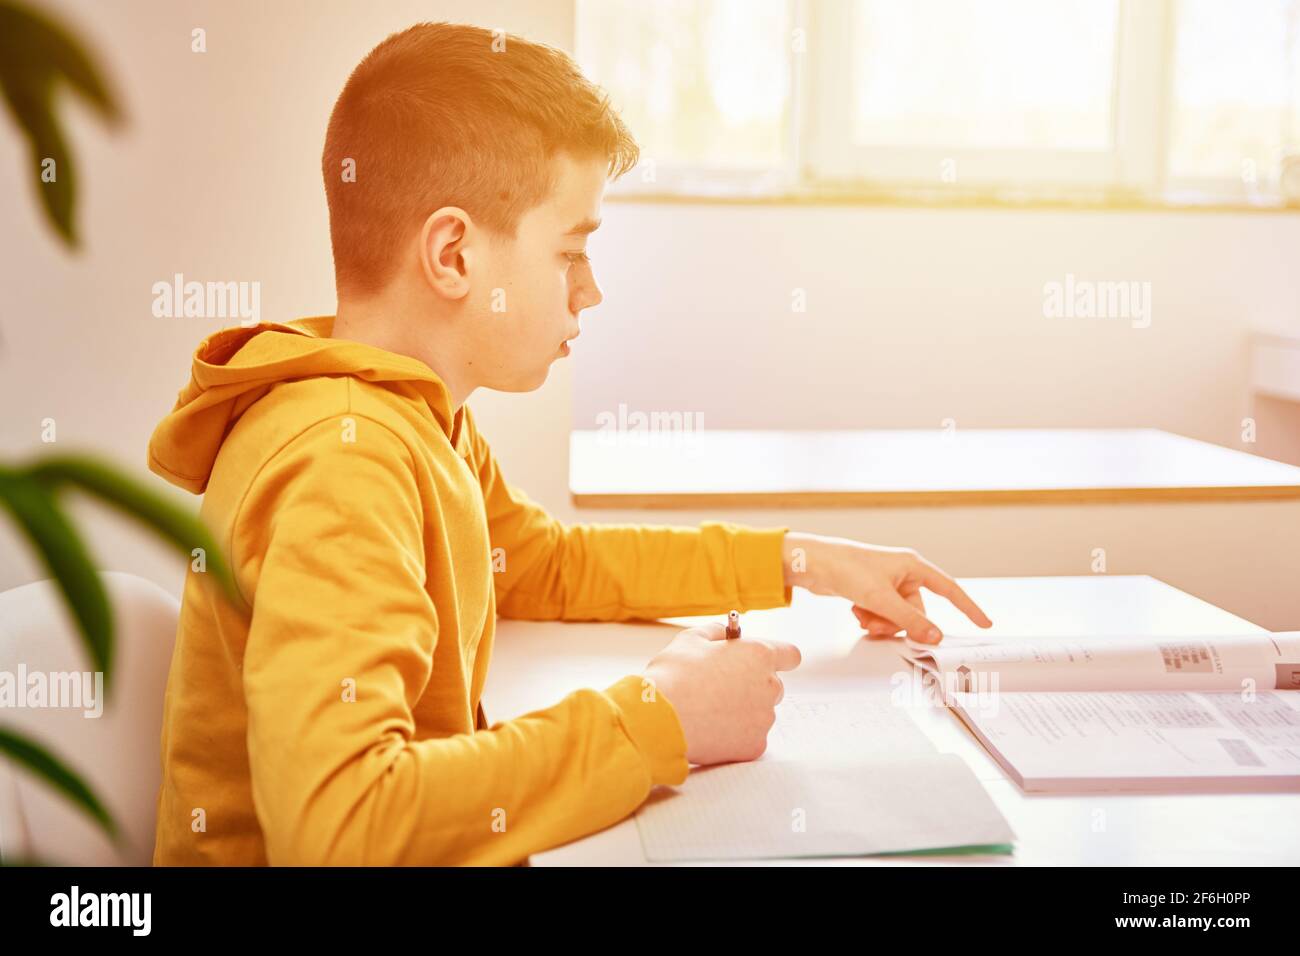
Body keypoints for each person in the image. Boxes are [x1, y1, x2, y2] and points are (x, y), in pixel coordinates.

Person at [147, 21, 991, 866]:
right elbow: (344, 828)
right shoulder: (345, 462)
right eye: (571, 251)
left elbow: (540, 563)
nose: (591, 291)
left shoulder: (407, 416)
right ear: (452, 254)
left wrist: (799, 561)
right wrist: (662, 718)